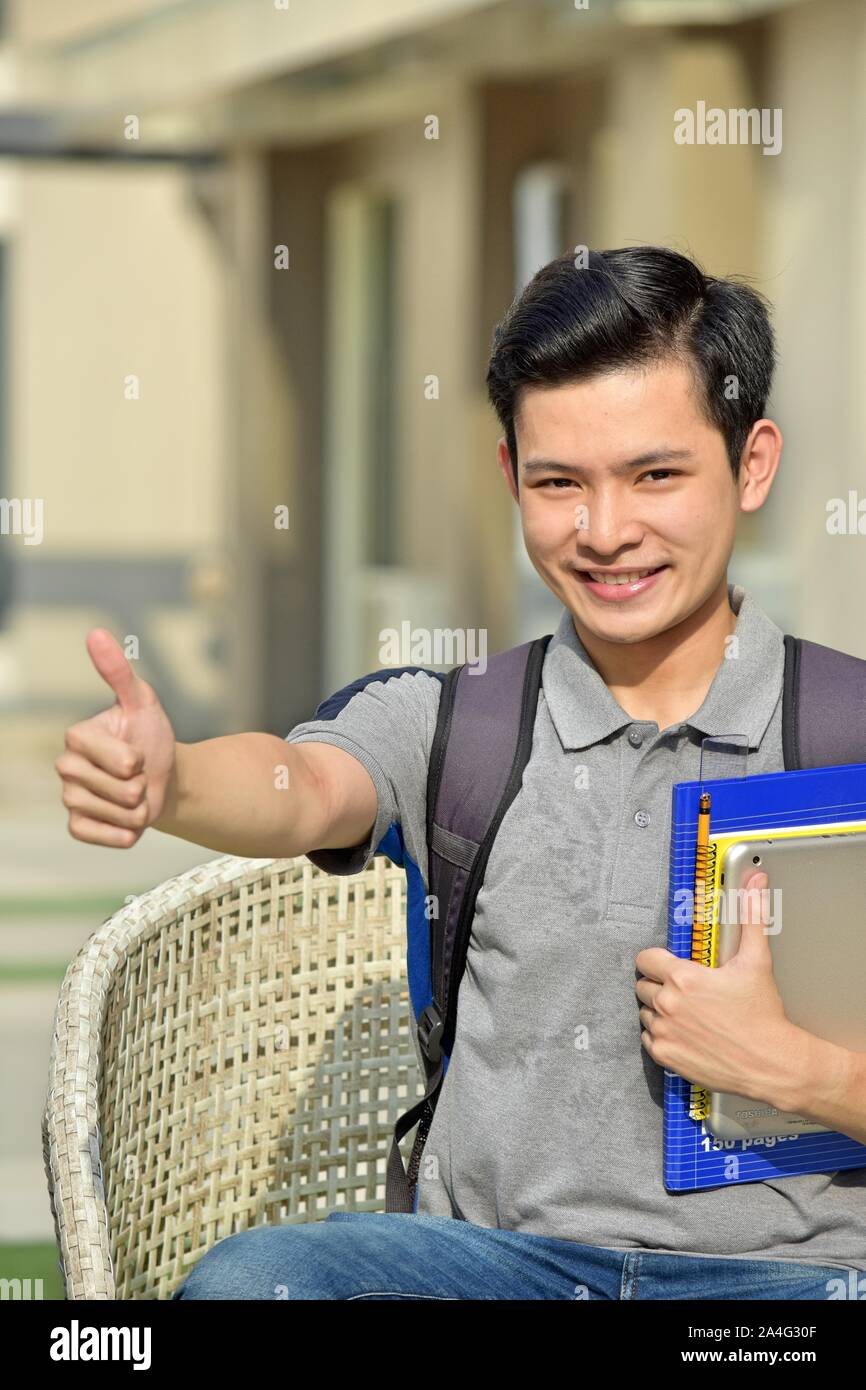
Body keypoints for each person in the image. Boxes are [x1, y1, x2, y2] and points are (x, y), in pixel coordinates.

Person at [56, 245, 866, 1300]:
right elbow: (301, 786)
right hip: (487, 1272)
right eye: (558, 483)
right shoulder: (457, 725)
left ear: (750, 463)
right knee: (255, 1281)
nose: (605, 530)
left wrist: (795, 1071)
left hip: (784, 1288)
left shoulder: (846, 731)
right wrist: (169, 781)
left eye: (654, 474)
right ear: (509, 479)